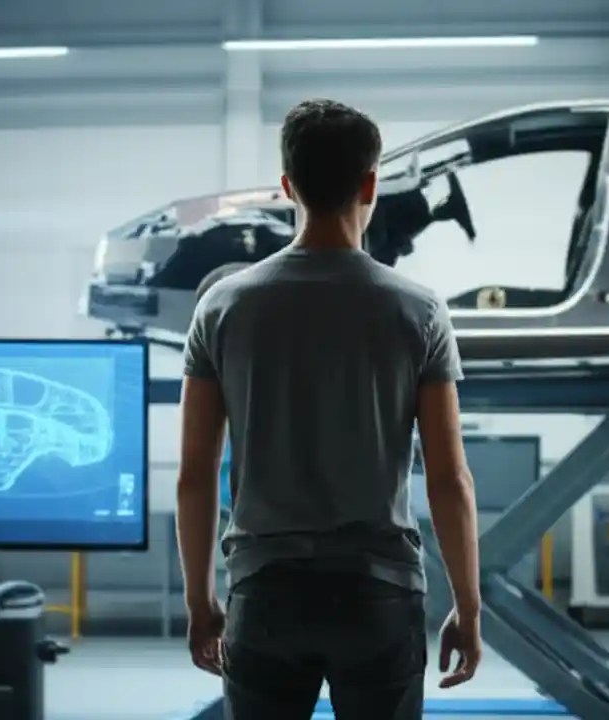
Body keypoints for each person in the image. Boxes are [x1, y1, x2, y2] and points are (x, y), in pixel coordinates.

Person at [175, 98, 483, 720]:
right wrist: (468, 608)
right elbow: (450, 478)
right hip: (380, 593)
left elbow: (194, 474)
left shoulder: (222, 308)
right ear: (370, 183)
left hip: (264, 592)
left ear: (287, 187)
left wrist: (200, 600)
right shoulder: (418, 310)